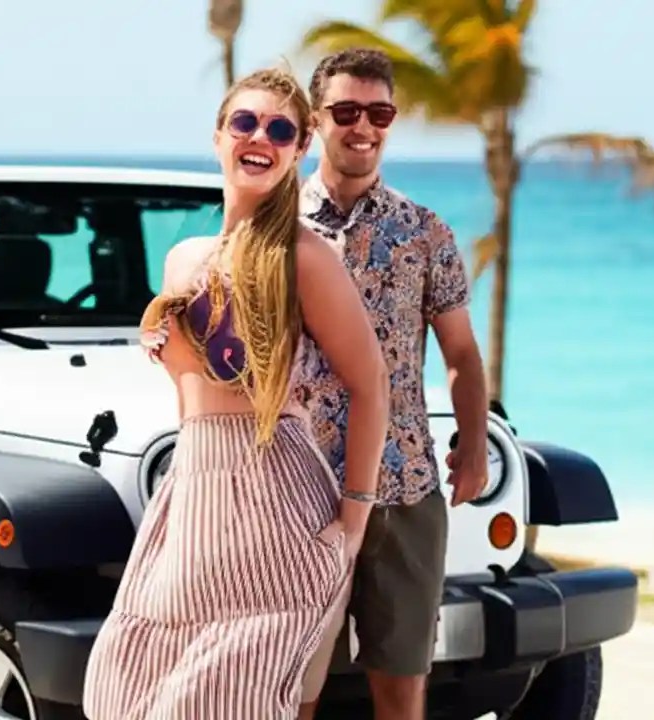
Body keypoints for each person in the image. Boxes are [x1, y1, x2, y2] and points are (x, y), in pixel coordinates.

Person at [81, 66, 391, 720]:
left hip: (273, 494)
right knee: (126, 683)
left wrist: (353, 522)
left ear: (299, 149)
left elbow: (372, 385)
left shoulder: (304, 258)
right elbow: (193, 399)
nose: (260, 138)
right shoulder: (183, 260)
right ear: (219, 135)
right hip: (194, 496)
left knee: (227, 701)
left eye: (280, 129)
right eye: (245, 122)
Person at [296, 48, 490, 720]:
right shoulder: (274, 223)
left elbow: (461, 351)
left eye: (378, 112)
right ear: (316, 119)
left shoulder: (424, 231)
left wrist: (473, 442)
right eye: (345, 111)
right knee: (292, 683)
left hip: (404, 485)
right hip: (300, 487)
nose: (363, 126)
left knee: (402, 682)